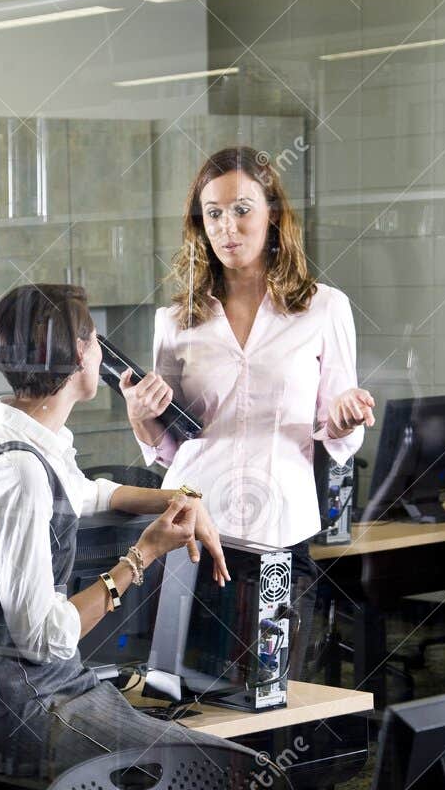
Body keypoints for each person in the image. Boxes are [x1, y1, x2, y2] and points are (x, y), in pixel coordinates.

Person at [0, 283, 230, 786]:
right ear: (81, 355)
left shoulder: (32, 445)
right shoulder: (20, 471)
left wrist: (181, 496)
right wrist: (141, 557)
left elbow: (88, 493)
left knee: (216, 763)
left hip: (58, 694)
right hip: (24, 715)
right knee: (214, 774)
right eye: (97, 341)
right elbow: (45, 639)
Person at [122, 145, 375, 676]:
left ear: (273, 214)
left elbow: (336, 429)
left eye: (241, 209)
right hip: (190, 531)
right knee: (185, 698)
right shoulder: (176, 320)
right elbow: (166, 446)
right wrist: (138, 412)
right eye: (212, 213)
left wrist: (345, 417)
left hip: (280, 534)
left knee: (273, 699)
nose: (226, 227)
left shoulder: (325, 308)